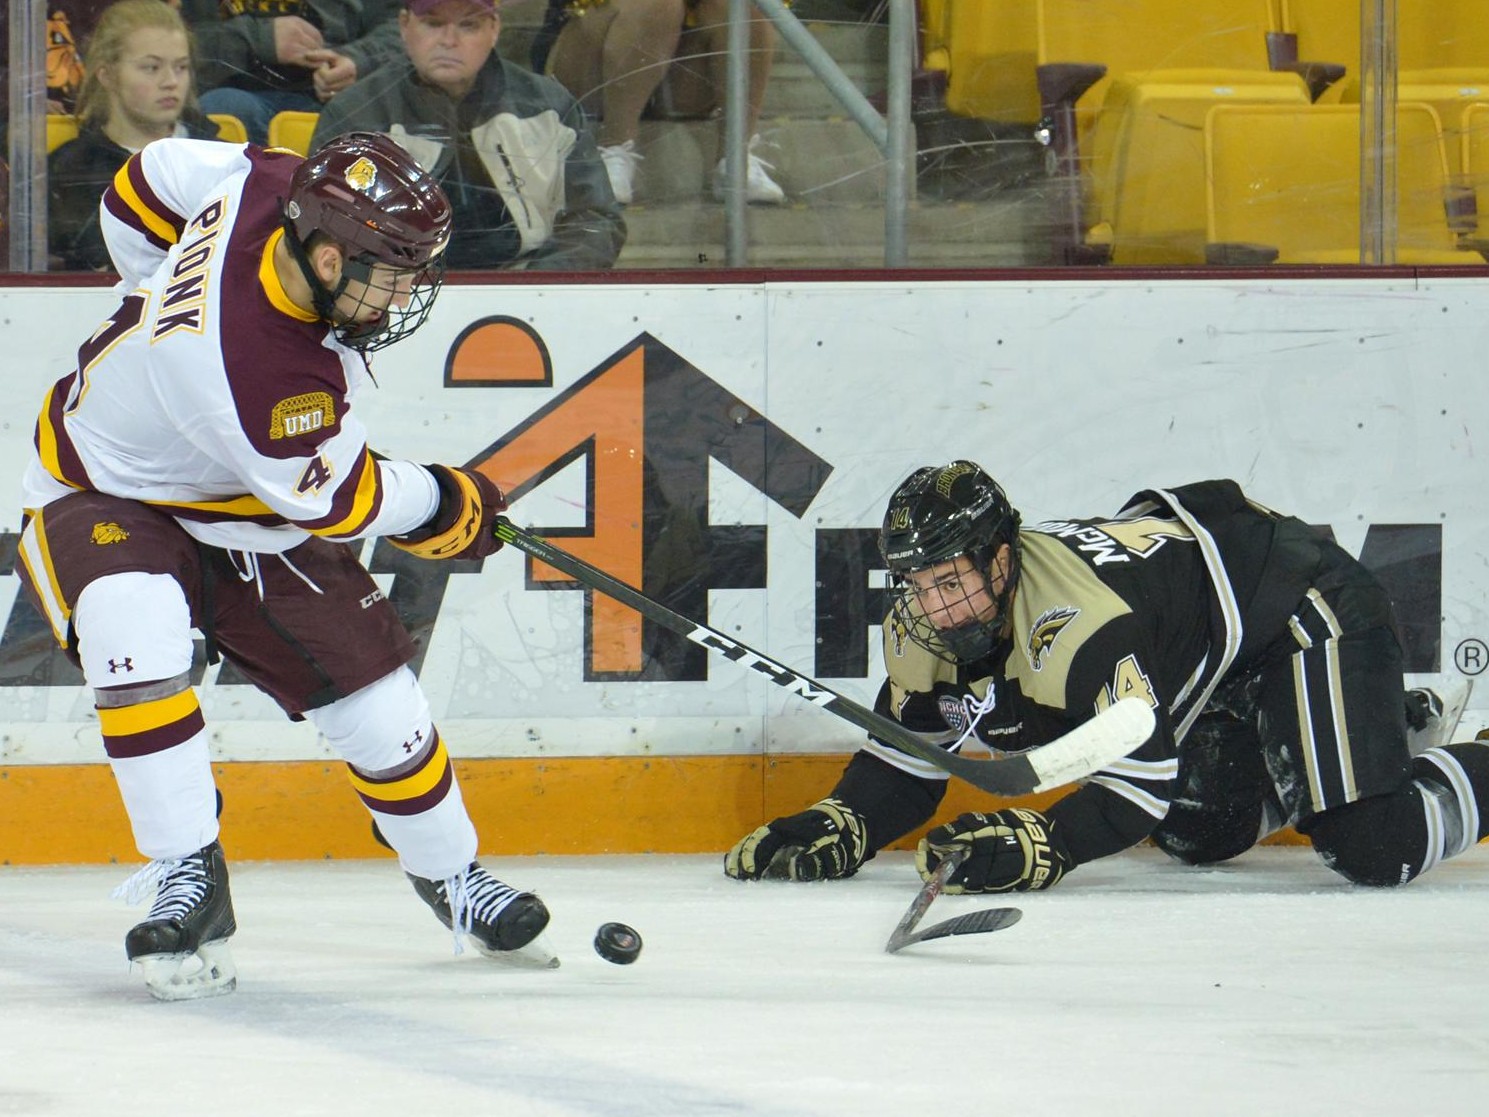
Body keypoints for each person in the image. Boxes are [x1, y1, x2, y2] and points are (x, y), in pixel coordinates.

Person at [15, 131, 552, 1001]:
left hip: (247, 508)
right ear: (328, 254)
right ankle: (188, 870)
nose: (407, 291)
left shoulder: (265, 179)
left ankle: (453, 875)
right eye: (393, 271)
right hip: (104, 483)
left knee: (380, 708)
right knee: (130, 632)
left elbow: (144, 178)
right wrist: (453, 504)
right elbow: (343, 498)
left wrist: (151, 287)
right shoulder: (257, 372)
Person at [725, 461, 1489, 892]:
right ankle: (1372, 730)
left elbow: (1139, 776)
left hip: (1293, 603)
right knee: (1198, 830)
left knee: (1371, 843)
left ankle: (1372, 745)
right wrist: (846, 821)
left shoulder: (1074, 624)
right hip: (1200, 642)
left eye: (948, 580)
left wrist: (1046, 842)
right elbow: (908, 761)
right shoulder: (920, 629)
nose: (933, 604)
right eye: (916, 583)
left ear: (1000, 558)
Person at [308, 0, 624, 270]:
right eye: (432, 23)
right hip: (393, 300)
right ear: (404, 26)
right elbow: (322, 225)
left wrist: (536, 286)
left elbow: (596, 220)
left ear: (494, 29)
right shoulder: (355, 113)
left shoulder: (550, 107)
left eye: (468, 26)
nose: (449, 40)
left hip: (530, 291)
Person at [534, 0, 785, 206]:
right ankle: (614, 148)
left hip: (682, 70)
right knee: (658, 4)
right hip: (591, 52)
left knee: (742, 9)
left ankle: (735, 159)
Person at [49, 0, 225, 271]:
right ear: (107, 75)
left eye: (181, 67)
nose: (171, 81)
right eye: (151, 68)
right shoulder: (68, 170)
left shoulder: (226, 160)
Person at [179, 0, 405, 145]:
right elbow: (162, 38)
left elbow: (406, 23)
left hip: (336, 100)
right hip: (223, 96)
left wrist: (358, 59)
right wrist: (259, 38)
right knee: (226, 105)